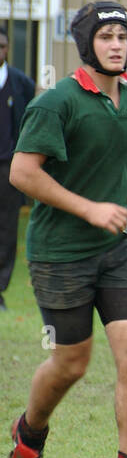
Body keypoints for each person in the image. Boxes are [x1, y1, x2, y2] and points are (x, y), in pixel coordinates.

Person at [8, 2, 127, 458]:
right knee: (72, 364)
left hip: (117, 248)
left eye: (123, 36)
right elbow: (22, 173)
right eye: (106, 36)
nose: (118, 45)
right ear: (87, 46)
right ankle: (28, 439)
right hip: (60, 252)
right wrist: (90, 209)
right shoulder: (57, 102)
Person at [0, 25, 37, 312]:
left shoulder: (20, 82)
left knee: (7, 227)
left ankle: (0, 289)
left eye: (2, 45)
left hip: (8, 166)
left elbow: (28, 122)